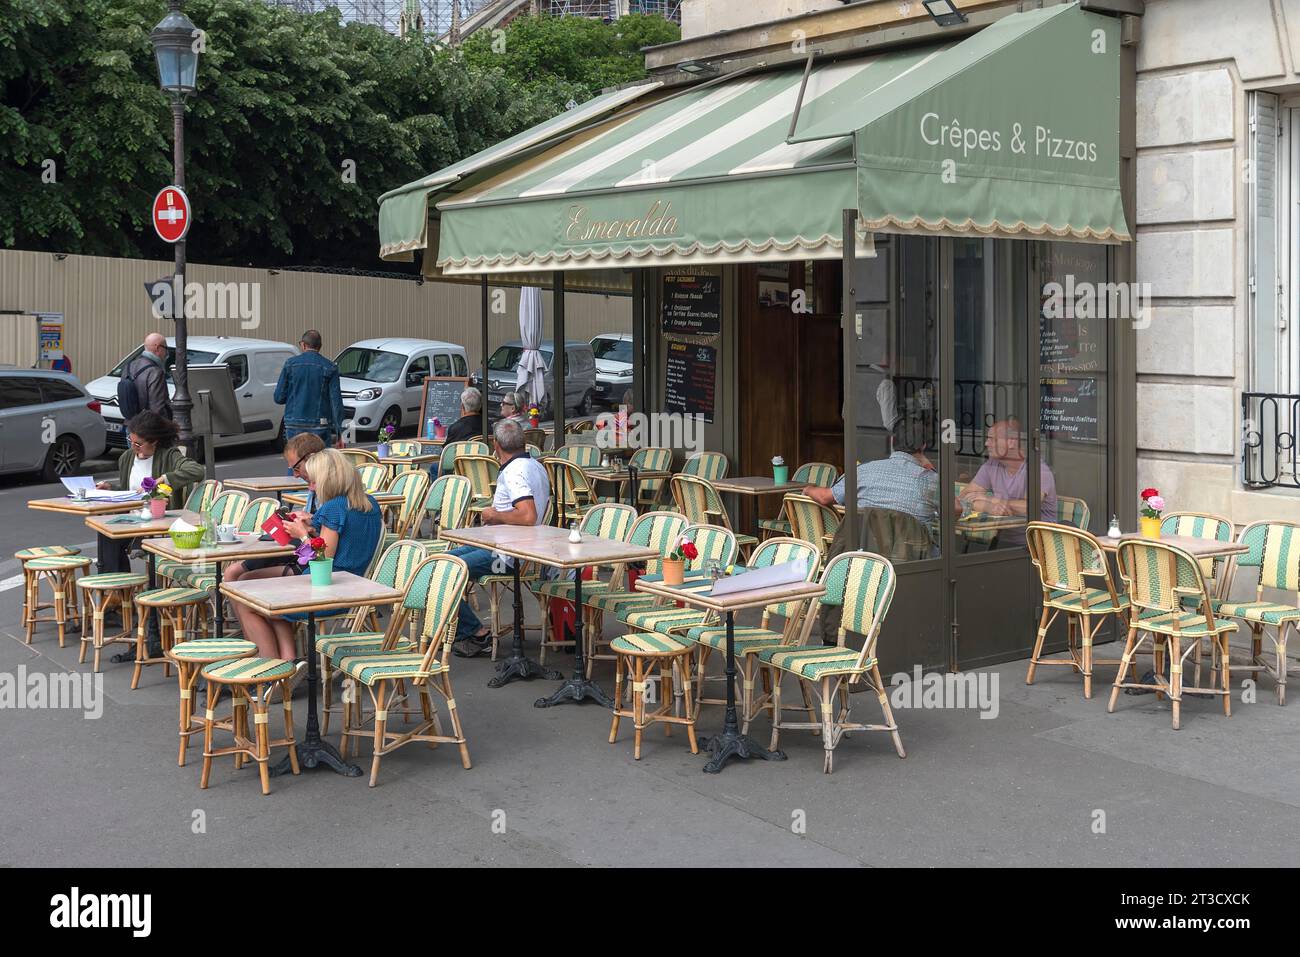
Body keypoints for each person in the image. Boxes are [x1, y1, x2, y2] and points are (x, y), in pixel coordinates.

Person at [230, 448, 382, 661]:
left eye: (313, 482)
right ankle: (287, 659)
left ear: (329, 481)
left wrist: (302, 535)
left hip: (326, 589)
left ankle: (269, 668)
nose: (310, 487)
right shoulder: (369, 503)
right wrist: (312, 522)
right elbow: (346, 535)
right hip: (354, 584)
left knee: (247, 598)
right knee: (252, 587)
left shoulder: (334, 507)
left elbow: (322, 558)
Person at [93, 410, 204, 644]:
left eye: (138, 443)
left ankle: (124, 600)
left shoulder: (168, 455)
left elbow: (196, 471)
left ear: (153, 442)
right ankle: (116, 593)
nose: (134, 447)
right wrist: (109, 488)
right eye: (131, 441)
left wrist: (165, 479)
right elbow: (128, 490)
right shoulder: (126, 459)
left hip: (158, 522)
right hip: (132, 520)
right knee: (106, 533)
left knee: (112, 537)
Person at [447, 418, 551, 658]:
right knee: (441, 562)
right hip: (512, 548)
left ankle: (474, 632)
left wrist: (494, 514)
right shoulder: (535, 465)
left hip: (506, 554)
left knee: (444, 569)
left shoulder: (515, 471)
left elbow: (527, 515)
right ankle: (466, 630)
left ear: (496, 444)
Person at [802, 418, 940, 538]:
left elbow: (825, 497)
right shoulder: (931, 479)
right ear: (923, 446)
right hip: (916, 560)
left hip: (869, 556)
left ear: (892, 441)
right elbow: (956, 510)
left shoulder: (863, 471)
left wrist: (808, 489)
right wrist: (928, 465)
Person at [223, 431, 326, 585]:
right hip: (302, 550)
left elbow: (324, 550)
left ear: (311, 459)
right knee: (233, 572)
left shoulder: (330, 493)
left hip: (310, 559)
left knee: (241, 578)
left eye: (296, 469)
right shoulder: (315, 487)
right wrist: (304, 522)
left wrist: (307, 529)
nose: (295, 475)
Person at [958, 418, 1057, 547]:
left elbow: (1029, 508)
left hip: (1038, 548)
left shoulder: (1038, 470)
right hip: (1004, 544)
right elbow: (964, 497)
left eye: (993, 439)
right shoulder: (992, 465)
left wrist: (992, 500)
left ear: (1011, 442)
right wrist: (989, 506)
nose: (987, 443)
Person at [274, 329, 344, 448]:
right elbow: (335, 402)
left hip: (294, 423)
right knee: (320, 462)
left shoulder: (290, 364)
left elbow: (278, 397)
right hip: (320, 424)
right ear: (320, 346)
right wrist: (339, 432)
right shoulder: (330, 367)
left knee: (296, 462)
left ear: (303, 345)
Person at [122, 333, 172, 419]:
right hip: (148, 427)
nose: (166, 353)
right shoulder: (156, 372)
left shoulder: (129, 366)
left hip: (131, 425)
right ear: (158, 348)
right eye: (165, 348)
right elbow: (157, 408)